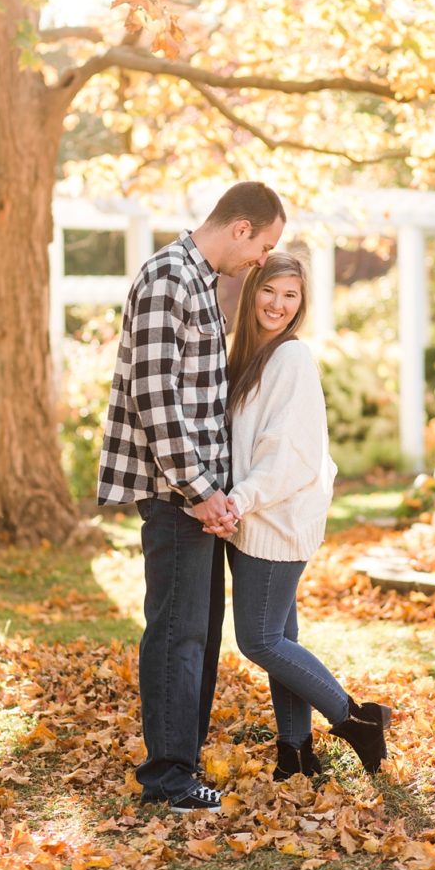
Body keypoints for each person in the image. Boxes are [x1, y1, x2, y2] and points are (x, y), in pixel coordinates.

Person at [98, 181, 286, 813]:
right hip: (176, 494)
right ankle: (168, 780)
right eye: (263, 245)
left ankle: (181, 765)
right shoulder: (168, 278)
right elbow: (157, 399)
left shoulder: (199, 281)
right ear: (239, 228)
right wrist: (201, 492)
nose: (262, 260)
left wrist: (221, 491)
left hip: (200, 496)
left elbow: (200, 403)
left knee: (197, 636)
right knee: (178, 634)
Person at [221, 251, 395, 777]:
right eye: (270, 290)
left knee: (260, 640)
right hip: (254, 519)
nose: (277, 303)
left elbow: (287, 453)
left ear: (301, 303)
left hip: (274, 520)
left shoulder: (292, 359)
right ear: (253, 292)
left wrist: (240, 500)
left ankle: (356, 720)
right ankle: (296, 753)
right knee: (282, 641)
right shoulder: (255, 356)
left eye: (290, 295)